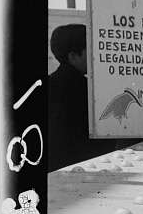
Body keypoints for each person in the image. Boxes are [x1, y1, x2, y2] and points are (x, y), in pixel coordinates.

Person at [46, 24, 129, 171]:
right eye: (90, 49)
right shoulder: (90, 90)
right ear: (73, 56)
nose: (95, 54)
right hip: (86, 168)